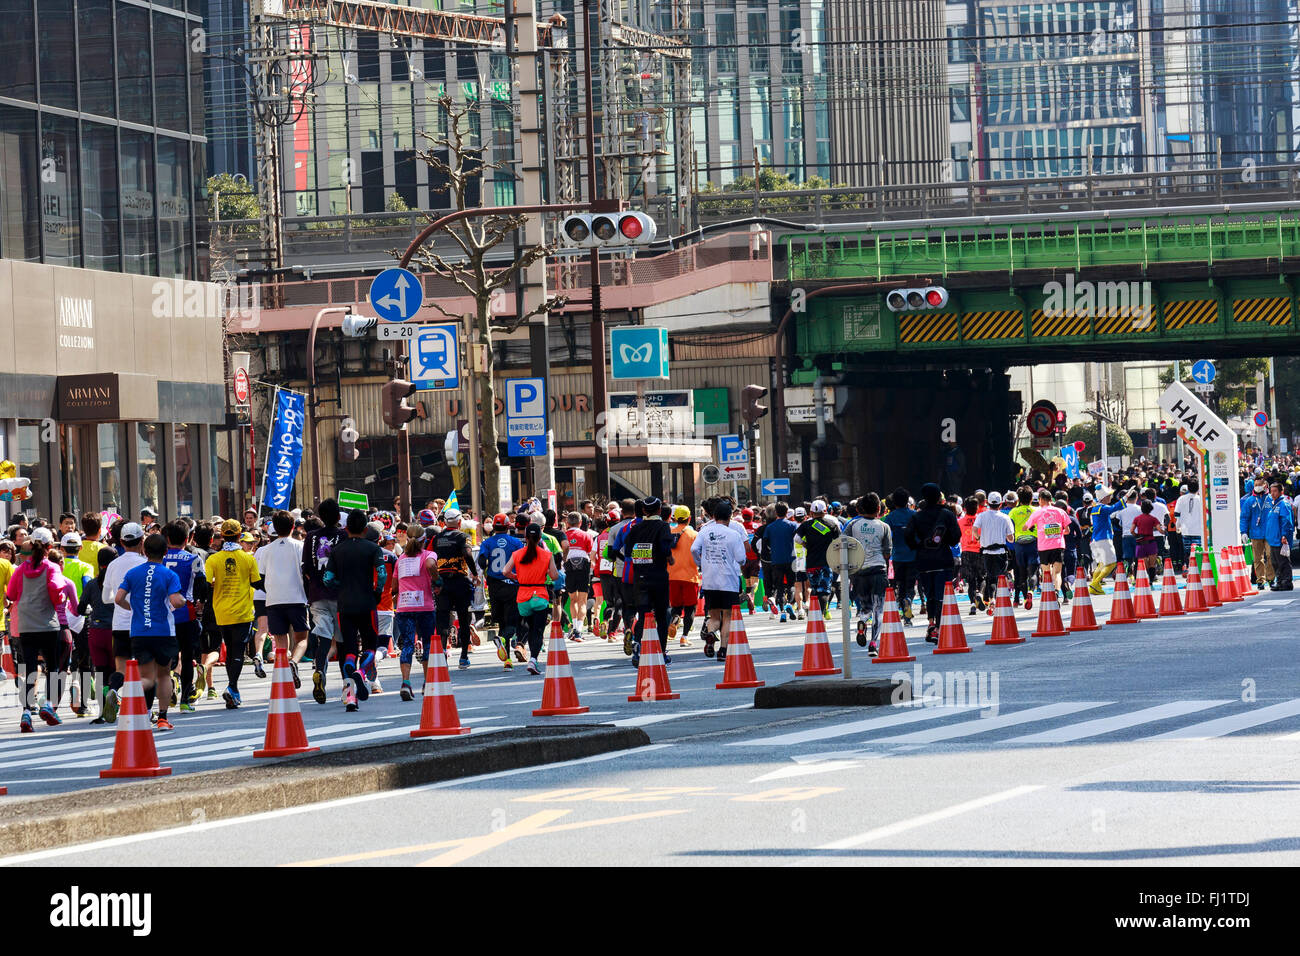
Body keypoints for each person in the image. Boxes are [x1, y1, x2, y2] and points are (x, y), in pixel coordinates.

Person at [114, 533, 185, 731]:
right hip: (163, 631)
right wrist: (184, 601)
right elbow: (176, 601)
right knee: (163, 675)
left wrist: (134, 609)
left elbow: (118, 598)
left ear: (144, 551)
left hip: (139, 631)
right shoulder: (169, 574)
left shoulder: (133, 573)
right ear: (165, 552)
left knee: (146, 677)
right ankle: (162, 718)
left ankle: (121, 691)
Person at [5, 527, 68, 730]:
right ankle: (48, 705)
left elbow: (12, 594)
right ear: (47, 548)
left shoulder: (20, 569)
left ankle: (26, 711)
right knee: (53, 668)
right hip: (48, 625)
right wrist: (61, 598)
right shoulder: (52, 568)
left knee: (30, 668)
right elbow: (56, 593)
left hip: (25, 625)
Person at [326, 509, 387, 710]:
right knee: (370, 645)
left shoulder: (337, 550)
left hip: (344, 605)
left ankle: (350, 696)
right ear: (365, 528)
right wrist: (377, 592)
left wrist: (339, 587)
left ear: (346, 527)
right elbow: (382, 574)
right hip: (367, 603)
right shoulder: (372, 548)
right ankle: (361, 674)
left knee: (349, 649)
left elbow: (327, 579)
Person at [204, 519, 263, 709]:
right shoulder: (248, 558)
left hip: (221, 611)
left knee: (230, 650)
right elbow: (256, 583)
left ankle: (233, 690)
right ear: (239, 536)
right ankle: (232, 688)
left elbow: (207, 583)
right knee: (237, 651)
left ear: (222, 536)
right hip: (242, 611)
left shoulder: (213, 559)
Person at [99, 522, 148, 721]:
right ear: (142, 541)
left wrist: (122, 599)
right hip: (142, 624)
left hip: (119, 623)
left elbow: (105, 598)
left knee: (120, 668)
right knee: (145, 668)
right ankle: (144, 709)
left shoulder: (113, 564)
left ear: (121, 541)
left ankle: (114, 690)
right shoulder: (145, 564)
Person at [904, 483, 962, 644]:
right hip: (943, 558)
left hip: (924, 560)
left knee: (929, 594)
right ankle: (939, 625)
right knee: (942, 595)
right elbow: (956, 536)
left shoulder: (917, 516)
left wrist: (918, 545)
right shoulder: (947, 514)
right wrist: (945, 541)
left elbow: (908, 534)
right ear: (938, 497)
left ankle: (931, 624)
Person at [258, 510, 310, 687]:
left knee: (280, 640)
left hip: (273, 600)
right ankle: (294, 661)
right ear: (293, 526)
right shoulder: (300, 546)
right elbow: (306, 572)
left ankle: (283, 675)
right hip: (297, 598)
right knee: (302, 638)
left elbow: (260, 577)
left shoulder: (265, 550)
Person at [621, 497, 675, 666]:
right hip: (658, 576)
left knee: (643, 614)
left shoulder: (635, 529)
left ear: (644, 511)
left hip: (640, 578)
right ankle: (662, 652)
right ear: (659, 510)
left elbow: (627, 551)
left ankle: (638, 645)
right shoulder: (663, 526)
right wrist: (669, 557)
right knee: (661, 615)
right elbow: (666, 548)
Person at [690, 500, 747, 661]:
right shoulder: (733, 534)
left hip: (710, 580)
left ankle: (710, 634)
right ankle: (723, 650)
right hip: (729, 580)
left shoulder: (704, 531)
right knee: (727, 616)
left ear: (714, 516)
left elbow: (694, 549)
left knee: (714, 616)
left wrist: (700, 563)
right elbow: (741, 558)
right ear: (730, 517)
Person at [503, 522, 559, 675]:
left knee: (529, 626)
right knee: (538, 631)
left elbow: (505, 571)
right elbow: (555, 576)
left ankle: (514, 640)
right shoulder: (547, 555)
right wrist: (544, 571)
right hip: (539, 595)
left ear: (526, 537)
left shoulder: (517, 554)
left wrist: (517, 577)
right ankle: (533, 660)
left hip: (523, 595)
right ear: (540, 536)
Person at [302, 499, 343, 704]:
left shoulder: (310, 537)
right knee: (343, 640)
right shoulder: (343, 535)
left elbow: (306, 568)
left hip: (317, 594)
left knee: (324, 637)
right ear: (338, 517)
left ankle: (320, 670)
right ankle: (347, 684)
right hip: (340, 595)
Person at [431, 508, 482, 667]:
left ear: (444, 522)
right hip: (460, 581)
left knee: (443, 620)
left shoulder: (436, 538)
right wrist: (474, 574)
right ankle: (464, 657)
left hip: (442, 583)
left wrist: (434, 579)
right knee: (463, 618)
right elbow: (467, 554)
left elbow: (430, 558)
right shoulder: (463, 536)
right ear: (459, 522)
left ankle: (442, 658)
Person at [395, 526, 441, 697]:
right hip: (424, 607)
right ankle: (427, 683)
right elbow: (430, 565)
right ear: (424, 540)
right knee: (427, 643)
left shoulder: (401, 559)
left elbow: (394, 586)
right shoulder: (428, 555)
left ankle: (405, 683)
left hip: (404, 607)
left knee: (407, 644)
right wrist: (437, 580)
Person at [843, 493, 891, 654]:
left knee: (866, 606)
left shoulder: (853, 525)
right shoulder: (884, 527)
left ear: (860, 508)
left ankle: (863, 620)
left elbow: (843, 544)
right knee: (878, 608)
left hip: (859, 571)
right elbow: (887, 552)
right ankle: (873, 644)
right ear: (878, 508)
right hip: (878, 570)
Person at [478, 513, 523, 666]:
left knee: (502, 622)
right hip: (512, 583)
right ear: (507, 526)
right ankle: (503, 640)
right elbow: (523, 561)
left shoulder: (487, 542)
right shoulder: (516, 542)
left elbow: (482, 562)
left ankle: (507, 660)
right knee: (514, 620)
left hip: (495, 585)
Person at [795, 500, 840, 618]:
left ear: (811, 512)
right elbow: (838, 542)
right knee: (824, 590)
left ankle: (813, 613)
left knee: (813, 588)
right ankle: (820, 614)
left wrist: (805, 544)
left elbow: (796, 538)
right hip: (826, 562)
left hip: (811, 563)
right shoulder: (831, 524)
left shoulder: (806, 524)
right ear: (825, 511)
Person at [1024, 489, 1070, 601]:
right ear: (1051, 500)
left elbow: (1025, 527)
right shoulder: (1060, 512)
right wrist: (1057, 533)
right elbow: (1067, 530)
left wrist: (1031, 528)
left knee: (1046, 573)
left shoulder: (1037, 512)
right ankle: (1057, 591)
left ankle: (1048, 596)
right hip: (1058, 545)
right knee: (1058, 573)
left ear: (1040, 500)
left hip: (1043, 547)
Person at [973, 491, 1014, 611]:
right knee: (1000, 577)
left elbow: (975, 529)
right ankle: (996, 599)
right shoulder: (1005, 518)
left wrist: (978, 538)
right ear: (1001, 504)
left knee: (990, 577)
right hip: (1000, 551)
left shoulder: (981, 516)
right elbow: (1011, 538)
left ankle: (991, 599)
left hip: (986, 552)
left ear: (987, 503)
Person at [666, 505, 700, 647]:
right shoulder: (694, 535)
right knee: (690, 608)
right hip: (690, 576)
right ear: (689, 518)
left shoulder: (669, 532)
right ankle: (684, 637)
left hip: (672, 576)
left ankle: (674, 619)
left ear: (674, 518)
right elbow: (699, 555)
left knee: (676, 606)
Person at [759, 502, 797, 621]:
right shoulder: (792, 525)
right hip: (791, 559)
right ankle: (789, 604)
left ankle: (782, 613)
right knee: (791, 585)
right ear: (787, 512)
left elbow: (765, 544)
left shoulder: (770, 527)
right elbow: (798, 539)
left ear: (776, 512)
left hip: (776, 560)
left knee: (779, 587)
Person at [882, 490, 916, 624]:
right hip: (913, 555)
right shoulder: (914, 515)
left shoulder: (890, 518)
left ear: (894, 503)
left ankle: (904, 611)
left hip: (897, 556)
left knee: (900, 584)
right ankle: (909, 602)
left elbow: (887, 537)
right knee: (911, 584)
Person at [561, 512, 594, 641]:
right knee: (582, 600)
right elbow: (589, 552)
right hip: (583, 567)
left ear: (567, 523)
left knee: (573, 599)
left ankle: (574, 628)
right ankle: (579, 630)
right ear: (580, 523)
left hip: (568, 568)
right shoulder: (586, 535)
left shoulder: (564, 535)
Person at [1240, 478, 1274, 587]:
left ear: (1265, 486)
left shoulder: (1271, 499)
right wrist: (1243, 532)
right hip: (1255, 534)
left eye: (1260, 484)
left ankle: (1271, 578)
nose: (1257, 486)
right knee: (1257, 558)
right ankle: (1260, 580)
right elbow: (1244, 517)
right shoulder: (1249, 501)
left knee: (1270, 556)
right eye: (1256, 485)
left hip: (1270, 533)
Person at [1264, 481, 1295, 590]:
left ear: (1281, 492)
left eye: (1275, 491)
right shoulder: (1274, 504)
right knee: (1275, 562)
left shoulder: (1283, 504)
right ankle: (1280, 581)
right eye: (1271, 491)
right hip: (1273, 539)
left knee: (1283, 561)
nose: (1272, 493)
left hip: (1280, 539)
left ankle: (1286, 581)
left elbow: (1286, 521)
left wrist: (1284, 535)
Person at [956, 497, 984, 615]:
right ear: (977, 507)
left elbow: (957, 537)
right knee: (982, 577)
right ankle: (980, 594)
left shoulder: (960, 521)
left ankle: (972, 604)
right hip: (979, 551)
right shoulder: (981, 520)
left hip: (966, 552)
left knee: (970, 580)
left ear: (964, 508)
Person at [1131, 500, 1162, 579]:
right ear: (1151, 508)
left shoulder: (1136, 519)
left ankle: (1143, 580)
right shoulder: (1153, 519)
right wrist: (1165, 532)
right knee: (1152, 564)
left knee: (1144, 564)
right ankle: (1151, 580)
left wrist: (1137, 535)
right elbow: (1160, 530)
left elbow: (1132, 531)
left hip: (1140, 543)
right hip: (1151, 543)